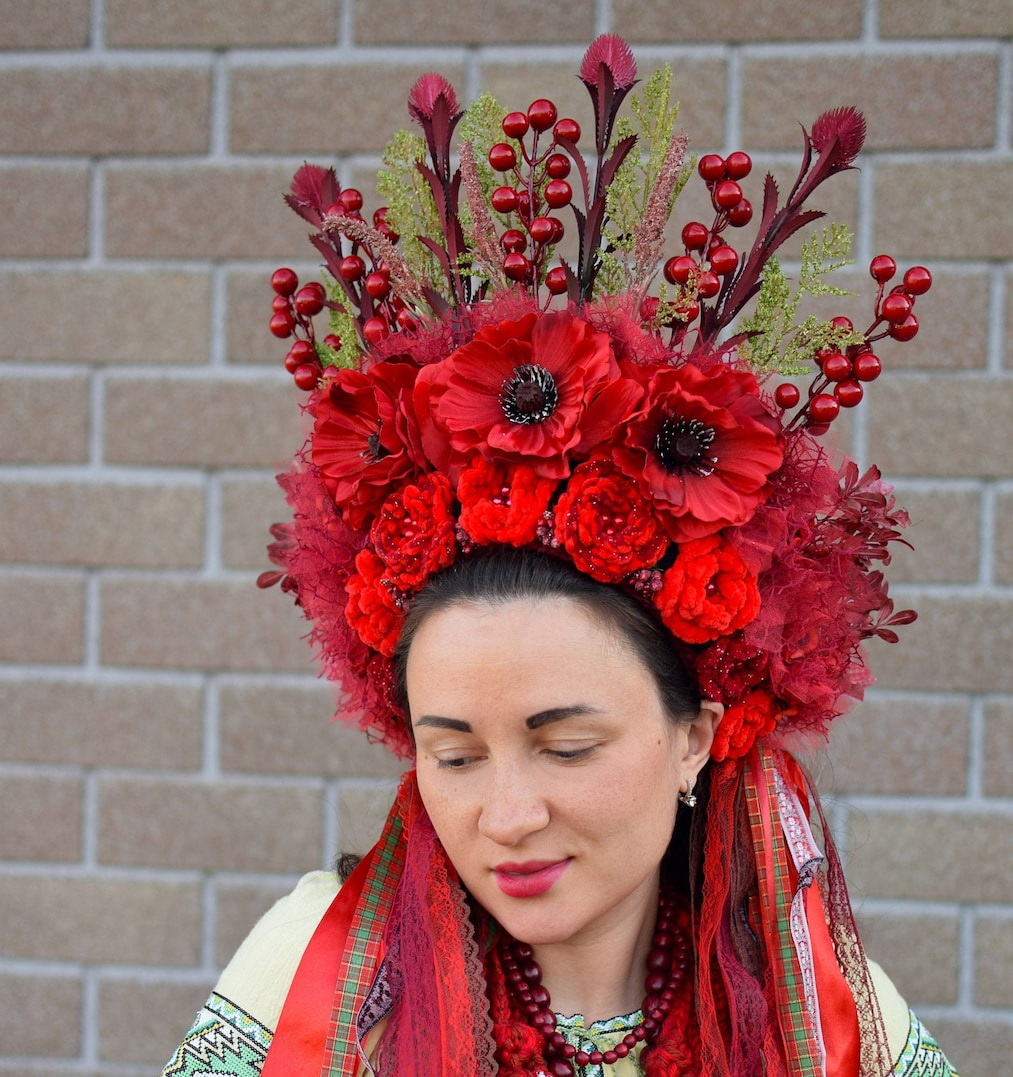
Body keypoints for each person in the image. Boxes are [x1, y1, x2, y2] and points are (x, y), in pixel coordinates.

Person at [163, 35, 956, 1077]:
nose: (506, 816)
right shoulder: (309, 971)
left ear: (695, 738)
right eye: (452, 756)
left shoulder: (814, 998)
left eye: (566, 745)